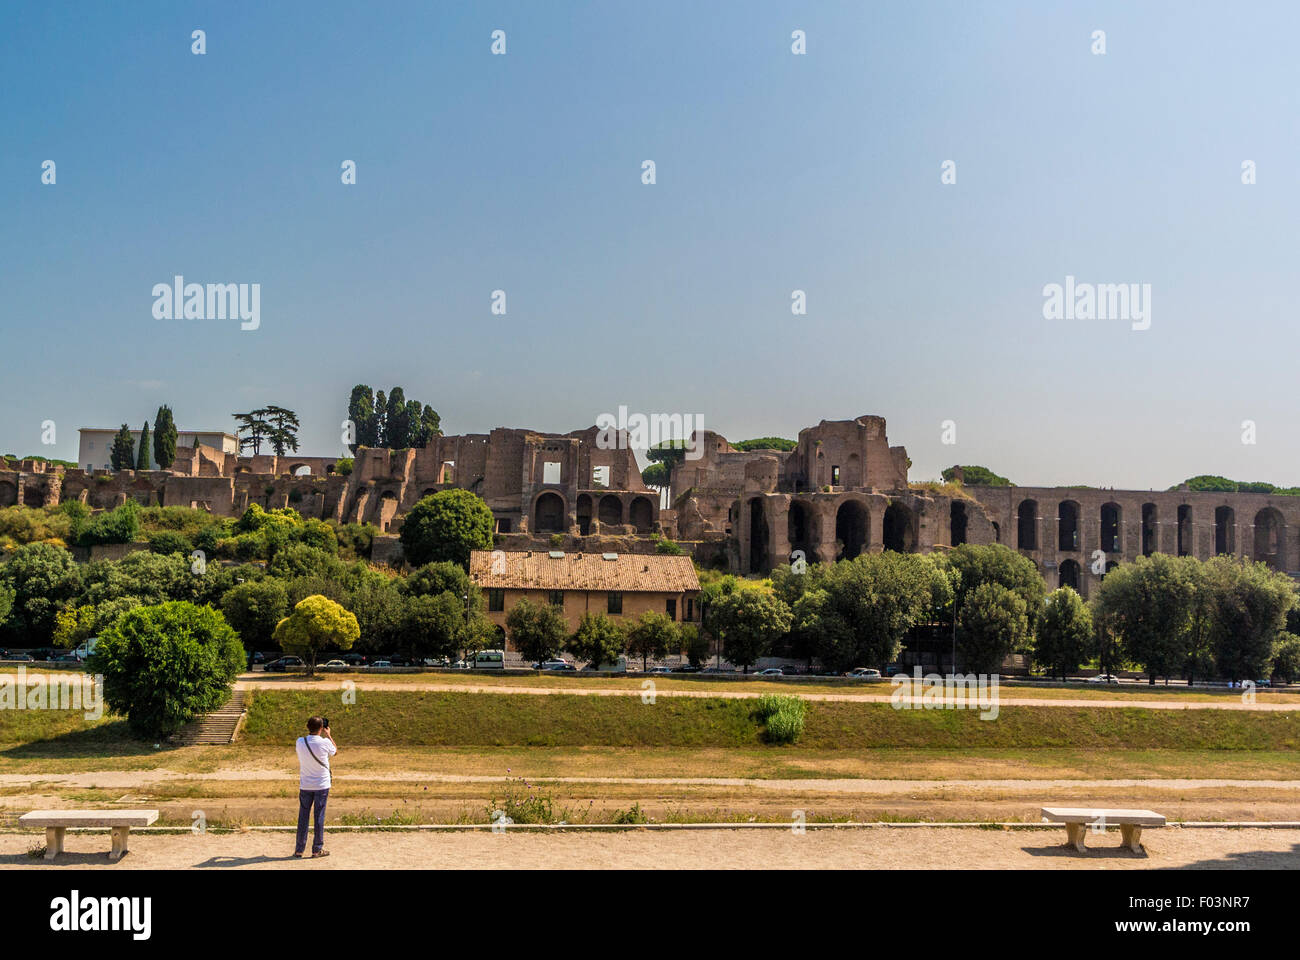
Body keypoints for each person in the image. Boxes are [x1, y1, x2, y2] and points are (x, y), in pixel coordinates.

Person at [294, 716, 337, 858]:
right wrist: (329, 735)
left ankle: (299, 849)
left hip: (305, 784)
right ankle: (317, 849)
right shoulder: (324, 742)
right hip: (321, 784)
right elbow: (335, 751)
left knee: (303, 816)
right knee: (319, 816)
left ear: (308, 727)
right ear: (321, 728)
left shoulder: (300, 742)